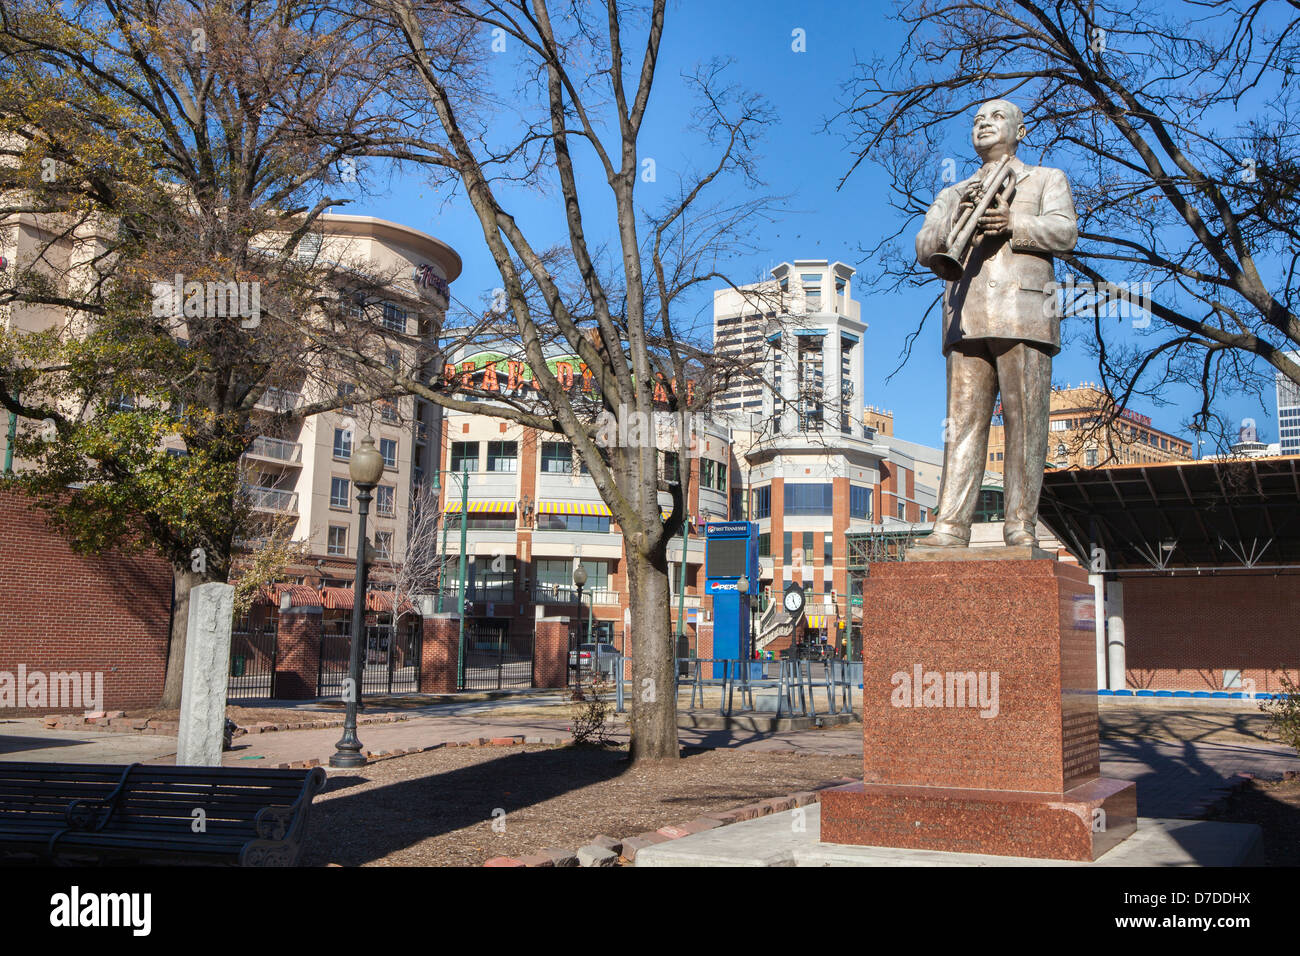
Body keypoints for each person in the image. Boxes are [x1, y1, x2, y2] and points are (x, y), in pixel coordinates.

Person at [912, 99, 1078, 549]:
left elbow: (1065, 233)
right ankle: (950, 525)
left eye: (996, 117)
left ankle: (1020, 524)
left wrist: (1013, 222)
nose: (984, 124)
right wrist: (951, 222)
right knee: (962, 425)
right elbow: (925, 246)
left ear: (1021, 131)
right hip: (965, 317)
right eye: (977, 120)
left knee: (1027, 425)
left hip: (1025, 314)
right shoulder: (954, 192)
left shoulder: (1045, 178)